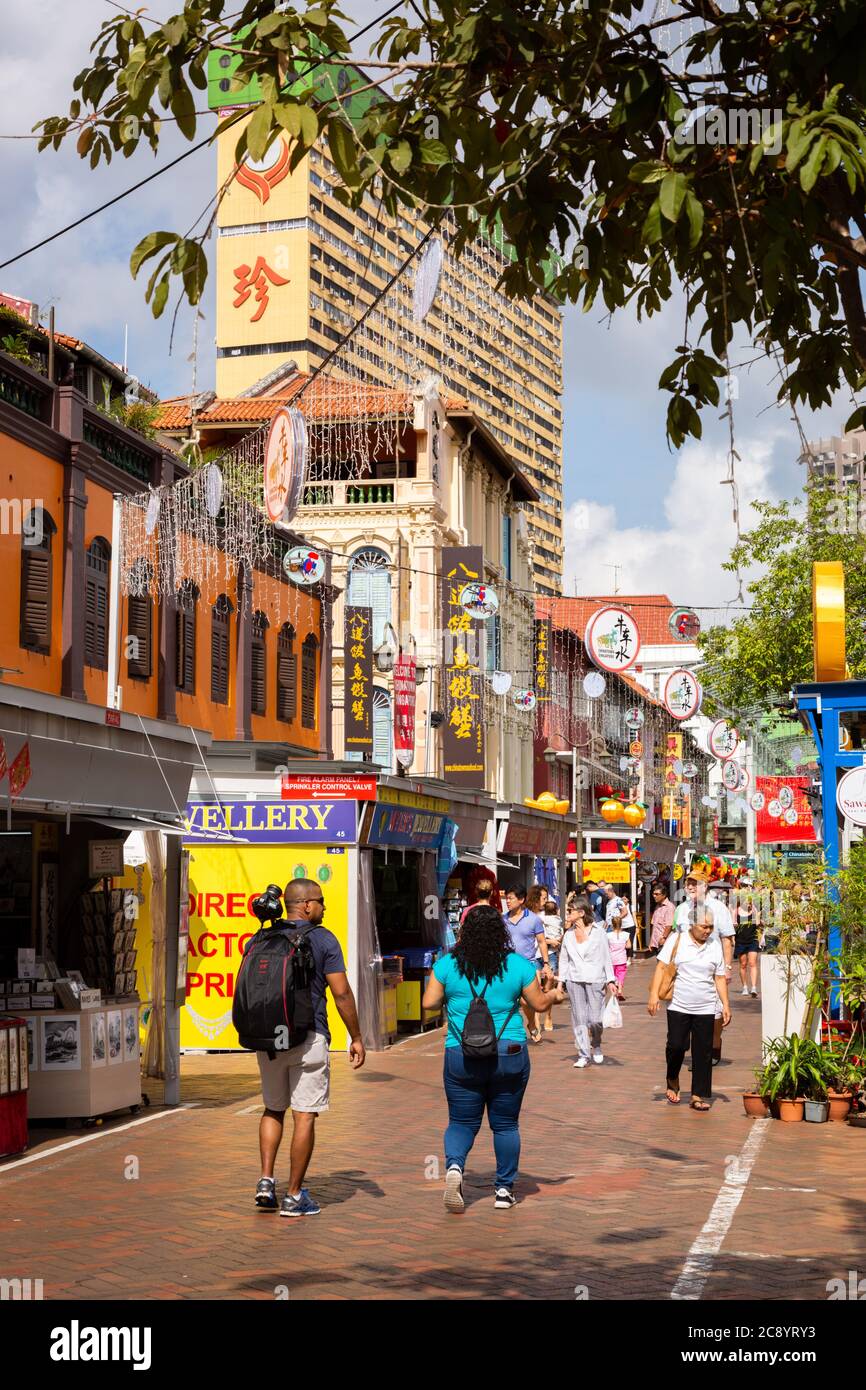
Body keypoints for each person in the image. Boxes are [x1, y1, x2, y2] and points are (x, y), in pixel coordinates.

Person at [421, 905, 557, 1212]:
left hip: (460, 1053)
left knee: (461, 1121)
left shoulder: (447, 964)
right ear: (501, 932)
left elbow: (429, 1003)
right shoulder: (517, 964)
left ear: (464, 931)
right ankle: (504, 1191)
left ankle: (455, 1168)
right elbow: (536, 1004)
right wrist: (554, 995)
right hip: (509, 1052)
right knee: (506, 1125)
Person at [253, 879, 365, 1218]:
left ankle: (266, 1181)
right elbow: (341, 993)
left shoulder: (262, 937)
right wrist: (356, 1036)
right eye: (321, 901)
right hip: (309, 1036)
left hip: (269, 1039)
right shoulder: (323, 939)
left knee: (273, 1109)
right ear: (306, 905)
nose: (324, 907)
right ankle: (294, 1195)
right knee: (304, 1115)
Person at [647, 899, 732, 1111]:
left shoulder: (714, 946)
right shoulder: (677, 939)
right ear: (692, 924)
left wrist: (725, 1004)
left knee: (703, 1052)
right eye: (704, 926)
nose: (708, 931)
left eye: (711, 927)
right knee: (676, 1046)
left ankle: (698, 1094)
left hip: (705, 1005)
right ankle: (673, 1080)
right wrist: (653, 996)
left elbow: (719, 977)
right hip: (678, 1005)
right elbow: (661, 968)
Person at [673, 869, 735, 1065]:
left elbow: (727, 939)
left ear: (705, 886)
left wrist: (727, 967)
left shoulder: (718, 908)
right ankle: (694, 1047)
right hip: (686, 970)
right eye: (688, 883)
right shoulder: (682, 909)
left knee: (716, 1013)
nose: (690, 887)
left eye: (695, 883)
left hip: (711, 967)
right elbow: (677, 938)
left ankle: (715, 1044)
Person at [555, 901, 617, 1067]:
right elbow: (564, 960)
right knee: (579, 1018)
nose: (567, 913)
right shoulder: (568, 934)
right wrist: (560, 982)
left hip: (596, 978)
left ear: (581, 912)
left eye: (570, 910)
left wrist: (611, 980)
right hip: (574, 980)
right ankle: (583, 1054)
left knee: (596, 1019)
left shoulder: (599, 932)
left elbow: (606, 957)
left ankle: (596, 1043)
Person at [502, 885, 552, 1044]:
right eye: (507, 898)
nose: (507, 902)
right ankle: (508, 1031)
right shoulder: (502, 920)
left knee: (526, 1001)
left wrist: (546, 963)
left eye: (511, 898)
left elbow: (542, 942)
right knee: (506, 1000)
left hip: (528, 965)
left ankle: (531, 1023)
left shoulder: (533, 919)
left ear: (521, 900)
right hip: (507, 966)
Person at [539, 899, 564, 1031]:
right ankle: (535, 1021)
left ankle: (548, 1016)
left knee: (548, 985)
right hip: (536, 955)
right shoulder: (557, 919)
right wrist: (554, 940)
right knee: (537, 988)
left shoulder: (542, 918)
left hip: (550, 954)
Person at [734, 890, 761, 997]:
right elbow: (733, 925)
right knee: (743, 964)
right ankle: (745, 987)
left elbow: (758, 924)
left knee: (753, 963)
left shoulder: (753, 910)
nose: (747, 902)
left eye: (749, 900)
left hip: (752, 940)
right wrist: (732, 939)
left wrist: (755, 910)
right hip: (740, 941)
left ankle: (754, 987)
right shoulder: (736, 911)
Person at [607, 913, 632, 999]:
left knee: (612, 976)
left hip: (611, 959)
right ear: (621, 924)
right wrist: (623, 945)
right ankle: (620, 990)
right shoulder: (626, 934)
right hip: (621, 959)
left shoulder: (608, 935)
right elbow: (629, 946)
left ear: (612, 925)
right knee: (621, 975)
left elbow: (606, 947)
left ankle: (613, 992)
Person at [649, 882, 675, 953]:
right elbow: (654, 925)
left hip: (665, 943)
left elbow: (669, 925)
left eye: (657, 894)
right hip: (656, 943)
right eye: (653, 894)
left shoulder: (669, 907)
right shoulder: (657, 907)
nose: (654, 896)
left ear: (664, 895)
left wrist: (664, 938)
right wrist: (651, 942)